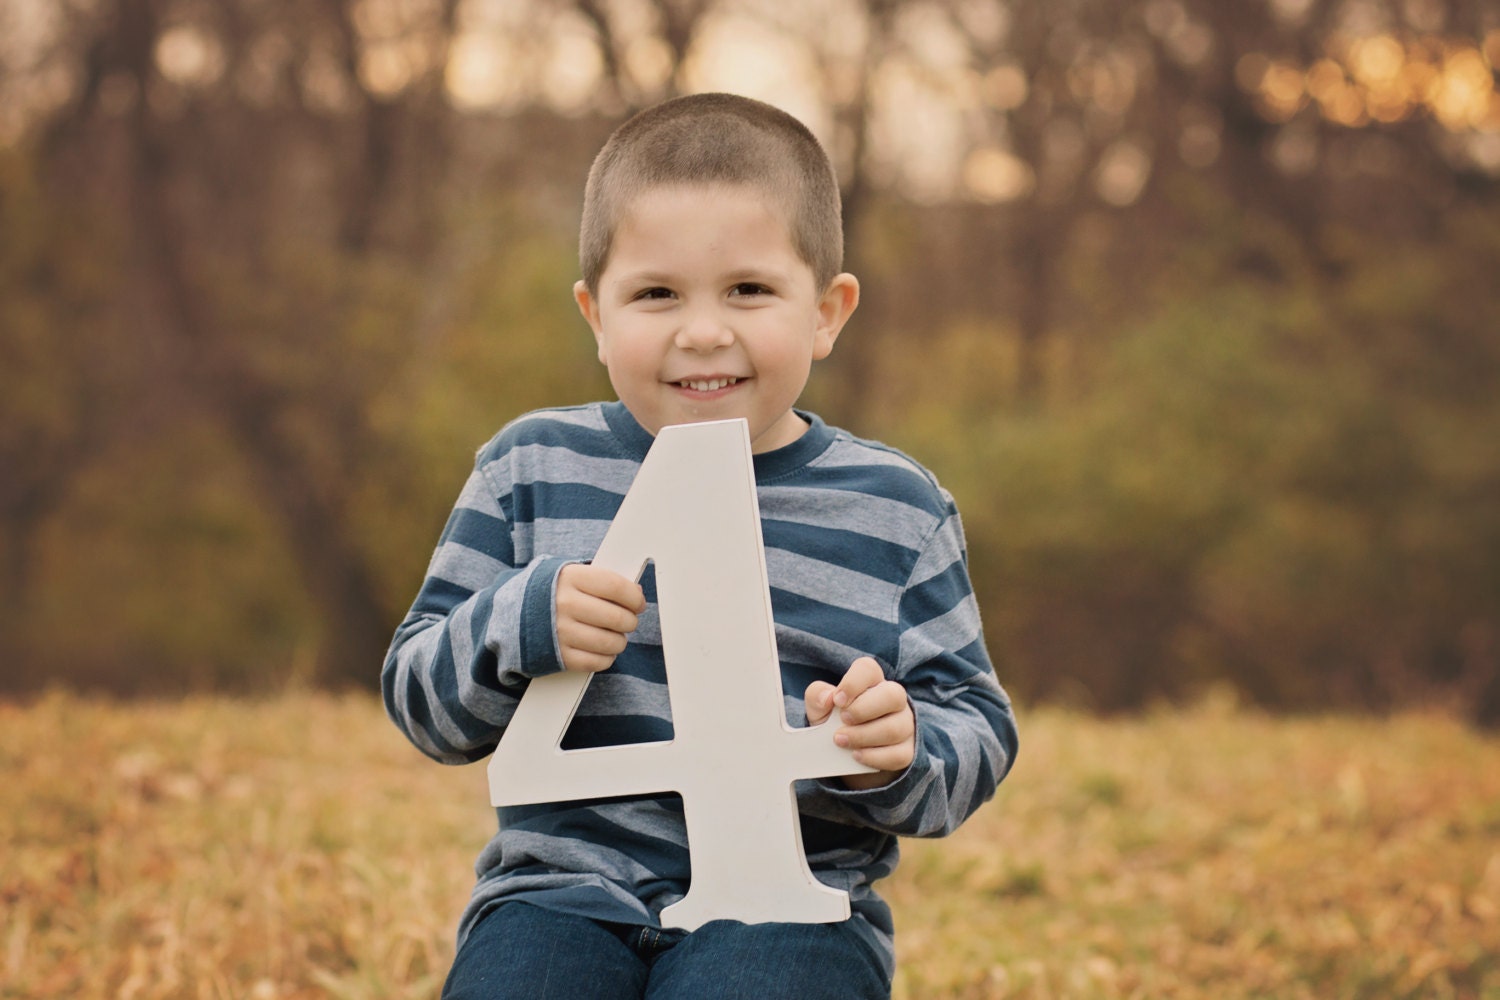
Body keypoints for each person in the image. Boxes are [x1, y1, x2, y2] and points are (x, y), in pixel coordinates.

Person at [383, 92, 1019, 1000]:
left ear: (828, 311)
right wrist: (517, 622)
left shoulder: (895, 509)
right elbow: (418, 703)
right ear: (595, 314)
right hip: (555, 900)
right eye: (655, 294)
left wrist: (901, 748)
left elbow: (979, 726)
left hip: (788, 911)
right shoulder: (529, 468)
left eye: (749, 290)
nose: (703, 330)